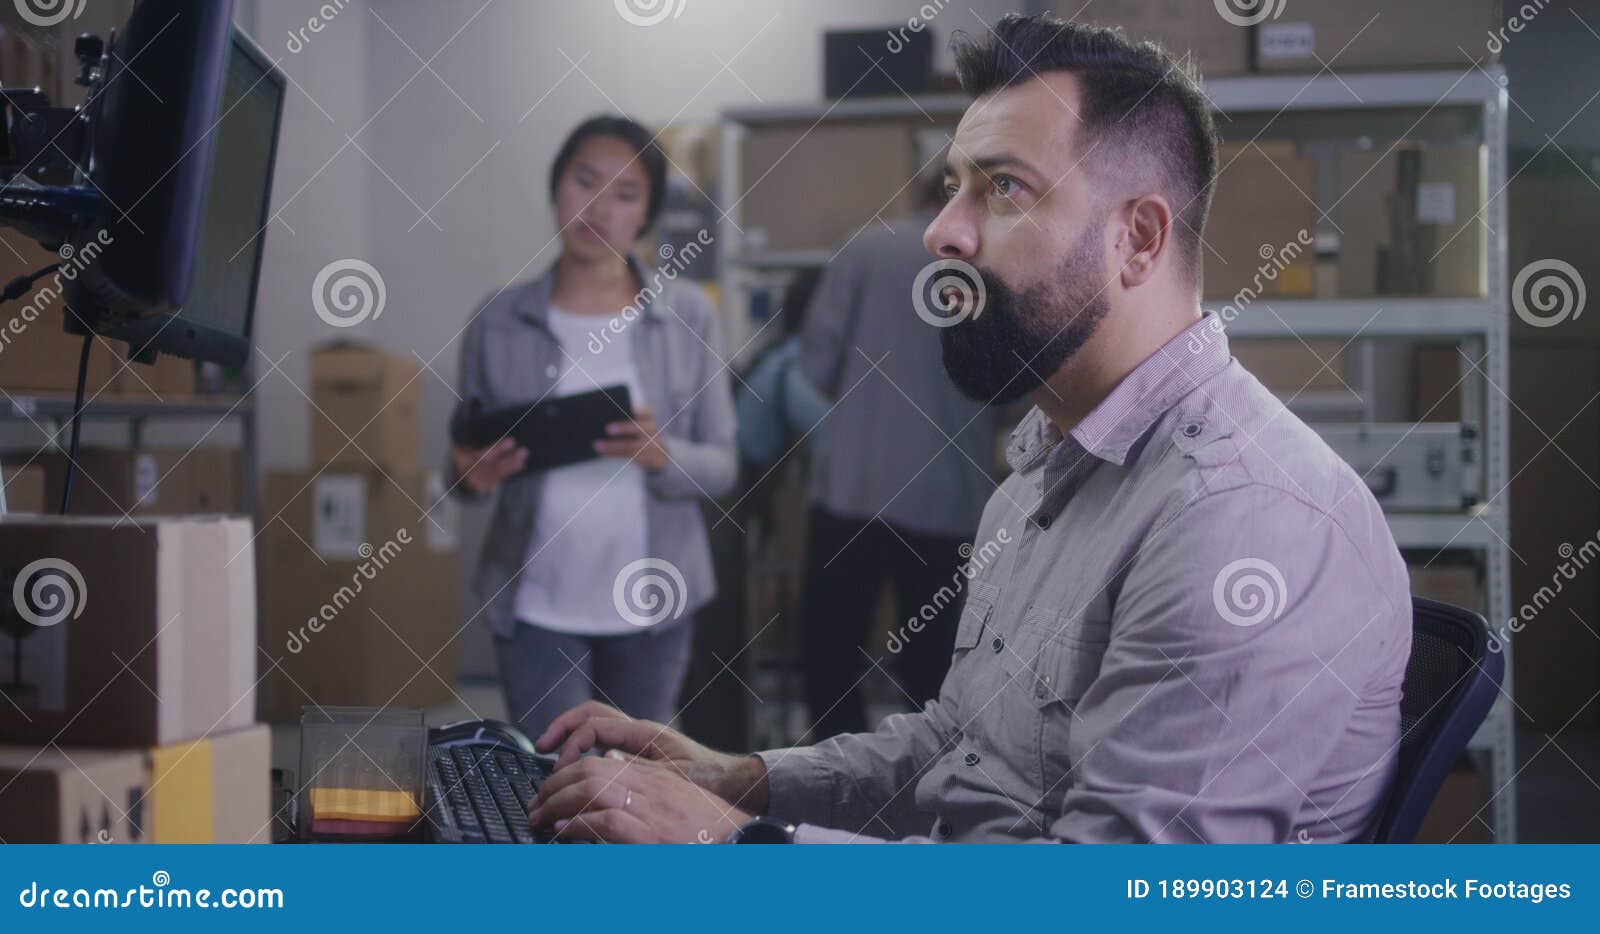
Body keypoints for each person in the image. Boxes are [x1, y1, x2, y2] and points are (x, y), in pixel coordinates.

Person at [524, 15, 1412, 843]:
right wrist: (740, 781)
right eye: (953, 188)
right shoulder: (1041, 473)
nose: (942, 233)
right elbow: (959, 747)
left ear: (1138, 240)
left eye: (1003, 189)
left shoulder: (1239, 518)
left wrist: (736, 842)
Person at [448, 115, 736, 739]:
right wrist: (469, 476)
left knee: (632, 780)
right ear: (556, 188)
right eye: (585, 182)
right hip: (535, 604)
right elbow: (463, 460)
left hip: (655, 604)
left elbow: (722, 465)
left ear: (646, 215)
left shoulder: (688, 315)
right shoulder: (498, 318)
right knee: (556, 776)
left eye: (626, 194)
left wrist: (662, 456)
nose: (600, 208)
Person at [792, 178, 999, 738]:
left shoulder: (865, 248)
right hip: (949, 499)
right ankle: (928, 785)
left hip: (853, 492)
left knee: (832, 659)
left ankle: (835, 784)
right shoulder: (994, 267)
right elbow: (1015, 396)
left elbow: (814, 368)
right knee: (933, 670)